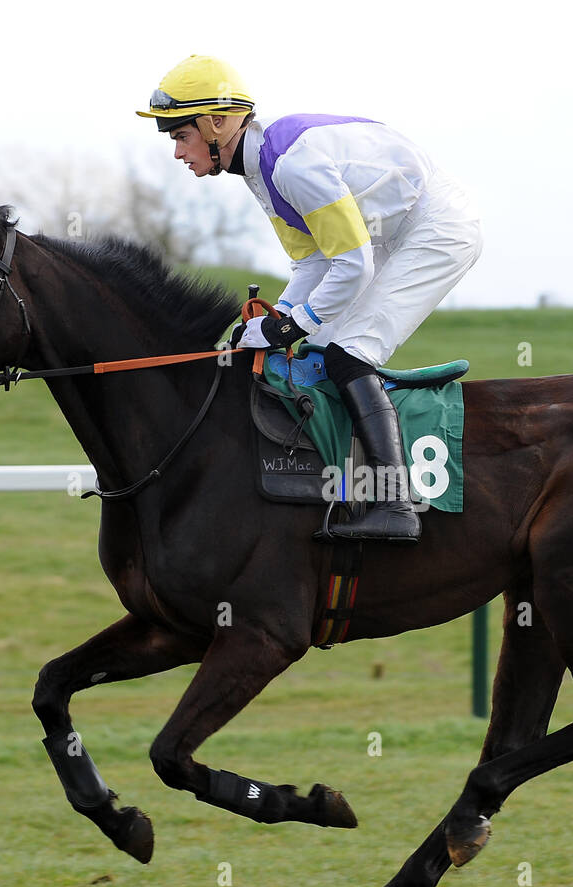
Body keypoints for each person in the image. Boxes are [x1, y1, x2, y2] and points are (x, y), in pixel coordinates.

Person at [137, 55, 482, 543]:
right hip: (385, 233)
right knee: (318, 354)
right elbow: (314, 264)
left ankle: (395, 504)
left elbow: (353, 265)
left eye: (181, 136)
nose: (177, 152)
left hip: (435, 228)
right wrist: (275, 320)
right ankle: (338, 483)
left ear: (217, 123)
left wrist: (291, 326)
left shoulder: (290, 167)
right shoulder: (260, 170)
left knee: (349, 352)